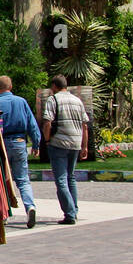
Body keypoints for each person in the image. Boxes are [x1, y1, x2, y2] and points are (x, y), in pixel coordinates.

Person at [42, 75, 88, 225]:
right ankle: (74, 209)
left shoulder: (53, 100)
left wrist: (47, 140)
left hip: (59, 143)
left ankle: (69, 213)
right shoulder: (77, 101)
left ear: (54, 86)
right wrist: (84, 146)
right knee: (71, 177)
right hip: (75, 143)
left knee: (61, 179)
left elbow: (48, 122)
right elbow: (84, 125)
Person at [0, 75, 40, 229]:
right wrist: (36, 143)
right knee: (23, 179)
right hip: (20, 142)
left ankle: (5, 213)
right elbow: (32, 124)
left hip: (2, 142)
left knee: (3, 178)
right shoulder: (21, 102)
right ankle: (30, 206)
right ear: (11, 87)